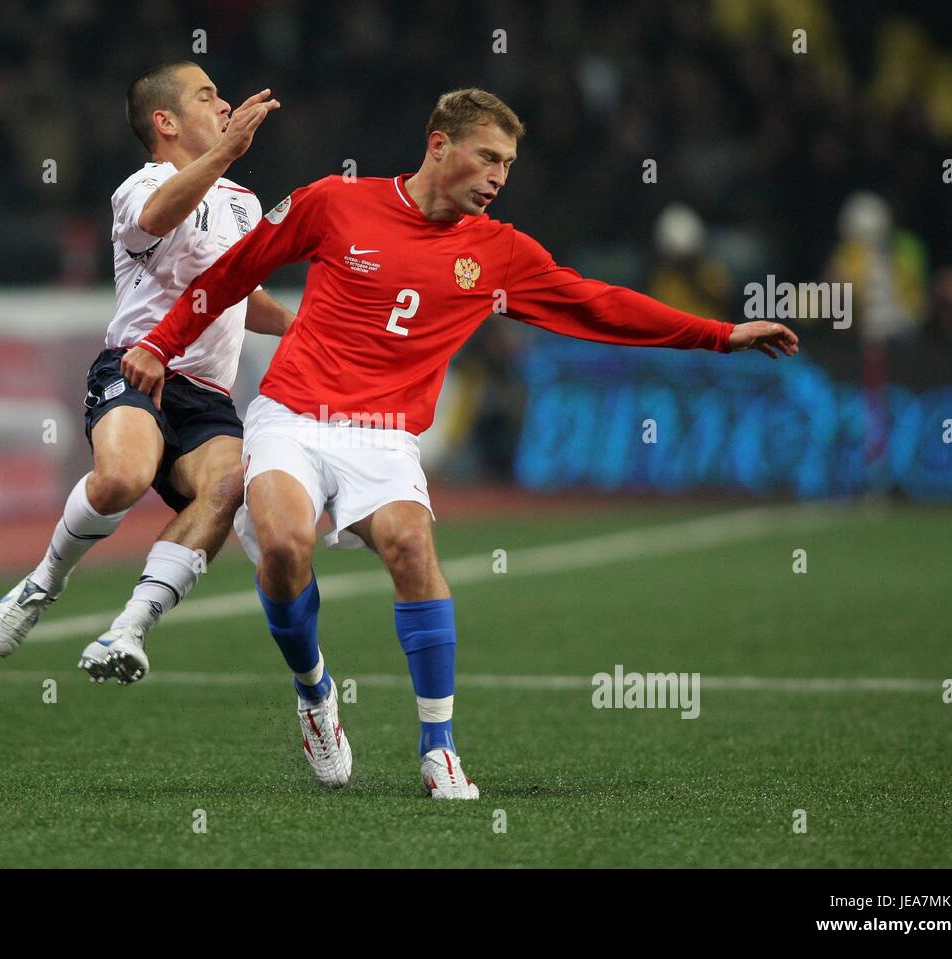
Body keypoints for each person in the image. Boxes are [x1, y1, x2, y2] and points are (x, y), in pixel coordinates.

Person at [123, 88, 800, 798]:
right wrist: (159, 346)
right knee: (286, 548)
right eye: (487, 157)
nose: (498, 176)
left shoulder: (498, 253)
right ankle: (315, 692)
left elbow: (598, 305)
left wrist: (721, 335)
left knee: (413, 546)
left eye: (507, 164)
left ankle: (438, 746)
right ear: (439, 145)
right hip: (290, 413)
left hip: (383, 437)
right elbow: (229, 275)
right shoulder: (334, 201)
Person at [0, 61, 293, 686]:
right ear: (166, 121)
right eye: (207, 96)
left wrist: (303, 327)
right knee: (123, 477)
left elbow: (241, 296)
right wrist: (228, 154)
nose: (225, 104)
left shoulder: (243, 202)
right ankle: (45, 582)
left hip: (207, 394)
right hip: (135, 367)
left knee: (231, 485)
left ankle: (129, 629)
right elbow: (158, 219)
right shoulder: (141, 186)